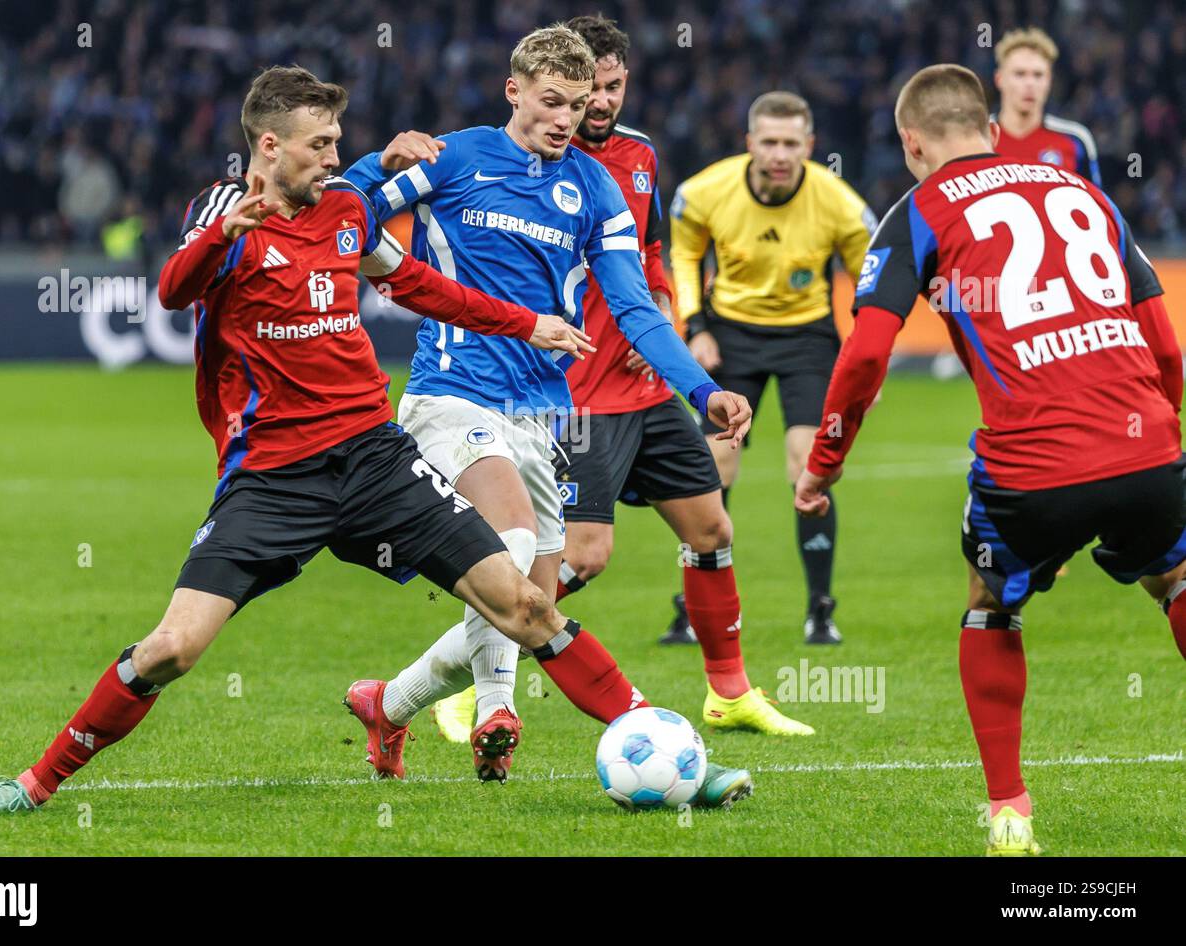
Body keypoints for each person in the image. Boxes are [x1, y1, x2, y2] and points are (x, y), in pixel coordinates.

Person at [0, 64, 645, 815]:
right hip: (274, 475)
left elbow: (412, 283)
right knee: (171, 649)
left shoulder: (345, 210)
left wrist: (524, 321)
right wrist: (222, 237)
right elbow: (175, 289)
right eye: (322, 144)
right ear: (270, 146)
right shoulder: (223, 208)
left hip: (377, 458)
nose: (337, 158)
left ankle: (656, 742)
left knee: (527, 605)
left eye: (338, 140)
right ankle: (32, 785)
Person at [341, 24, 756, 800]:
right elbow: (344, 215)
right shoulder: (454, 156)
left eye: (579, 103)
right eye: (553, 101)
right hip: (452, 392)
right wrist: (377, 165)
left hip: (545, 414)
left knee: (528, 603)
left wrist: (704, 391)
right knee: (514, 543)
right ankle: (625, 735)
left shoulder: (595, 189)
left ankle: (387, 704)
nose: (567, 117)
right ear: (515, 91)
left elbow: (632, 306)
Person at [794, 64, 1185, 855]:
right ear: (992, 129)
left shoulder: (918, 211)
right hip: (1147, 445)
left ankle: (1010, 811)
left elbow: (867, 353)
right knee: (1173, 577)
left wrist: (825, 461)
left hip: (1030, 471)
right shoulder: (1085, 195)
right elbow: (1163, 337)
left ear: (912, 144)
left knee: (991, 601)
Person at [425, 14, 810, 740]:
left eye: (609, 89)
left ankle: (728, 691)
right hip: (576, 394)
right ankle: (469, 675)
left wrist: (664, 307)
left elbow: (652, 253)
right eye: (582, 93)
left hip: (646, 385)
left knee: (710, 527)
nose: (595, 105)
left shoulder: (637, 159)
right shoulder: (522, 165)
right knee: (585, 557)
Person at [668, 91, 875, 644]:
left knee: (809, 466)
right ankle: (692, 607)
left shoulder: (842, 206)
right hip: (730, 334)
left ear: (809, 146)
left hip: (809, 337)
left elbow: (870, 290)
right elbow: (685, 255)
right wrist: (696, 327)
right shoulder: (703, 193)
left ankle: (820, 611)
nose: (780, 154)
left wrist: (864, 363)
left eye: (791, 143)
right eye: (769, 142)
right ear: (750, 144)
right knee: (714, 468)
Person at [992, 27, 1101, 185]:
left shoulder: (1075, 140)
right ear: (999, 79)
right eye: (1020, 74)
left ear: (1049, 80)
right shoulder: (976, 139)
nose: (1030, 84)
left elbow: (1096, 204)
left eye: (1038, 75)